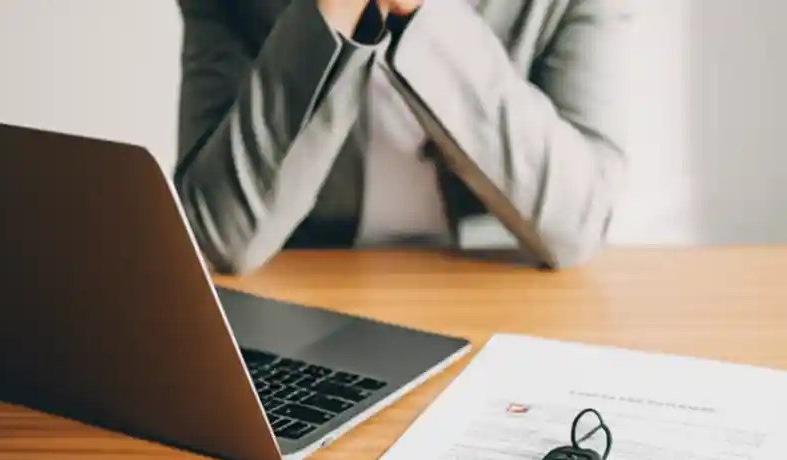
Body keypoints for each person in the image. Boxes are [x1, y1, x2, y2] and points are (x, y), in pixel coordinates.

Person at [175, 0, 633, 274]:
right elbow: (219, 237)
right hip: (310, 308)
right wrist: (330, 11)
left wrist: (425, 14)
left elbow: (578, 223)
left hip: (502, 296)